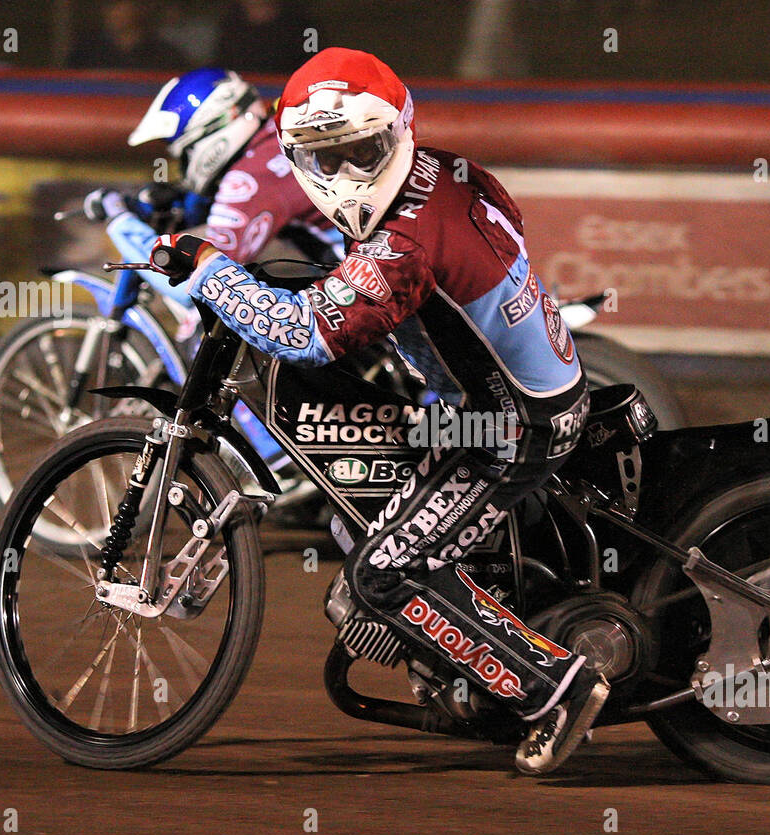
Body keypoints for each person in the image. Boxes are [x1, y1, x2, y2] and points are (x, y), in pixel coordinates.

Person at [148, 47, 609, 775]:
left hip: (506, 427)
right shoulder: (448, 170)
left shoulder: (401, 242)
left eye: (364, 151)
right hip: (501, 399)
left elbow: (303, 336)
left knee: (380, 575)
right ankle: (459, 633)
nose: (347, 174)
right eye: (325, 159)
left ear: (399, 131)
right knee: (351, 505)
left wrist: (210, 270)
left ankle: (554, 688)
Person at [81, 66, 342, 326]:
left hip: (357, 291)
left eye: (185, 152)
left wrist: (121, 224)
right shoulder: (275, 140)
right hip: (363, 274)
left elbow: (203, 287)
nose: (184, 163)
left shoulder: (248, 179)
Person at [67, 0, 185, 72]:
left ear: (139, 8)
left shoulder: (165, 55)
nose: (112, 12)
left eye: (118, 4)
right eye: (108, 5)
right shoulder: (86, 53)